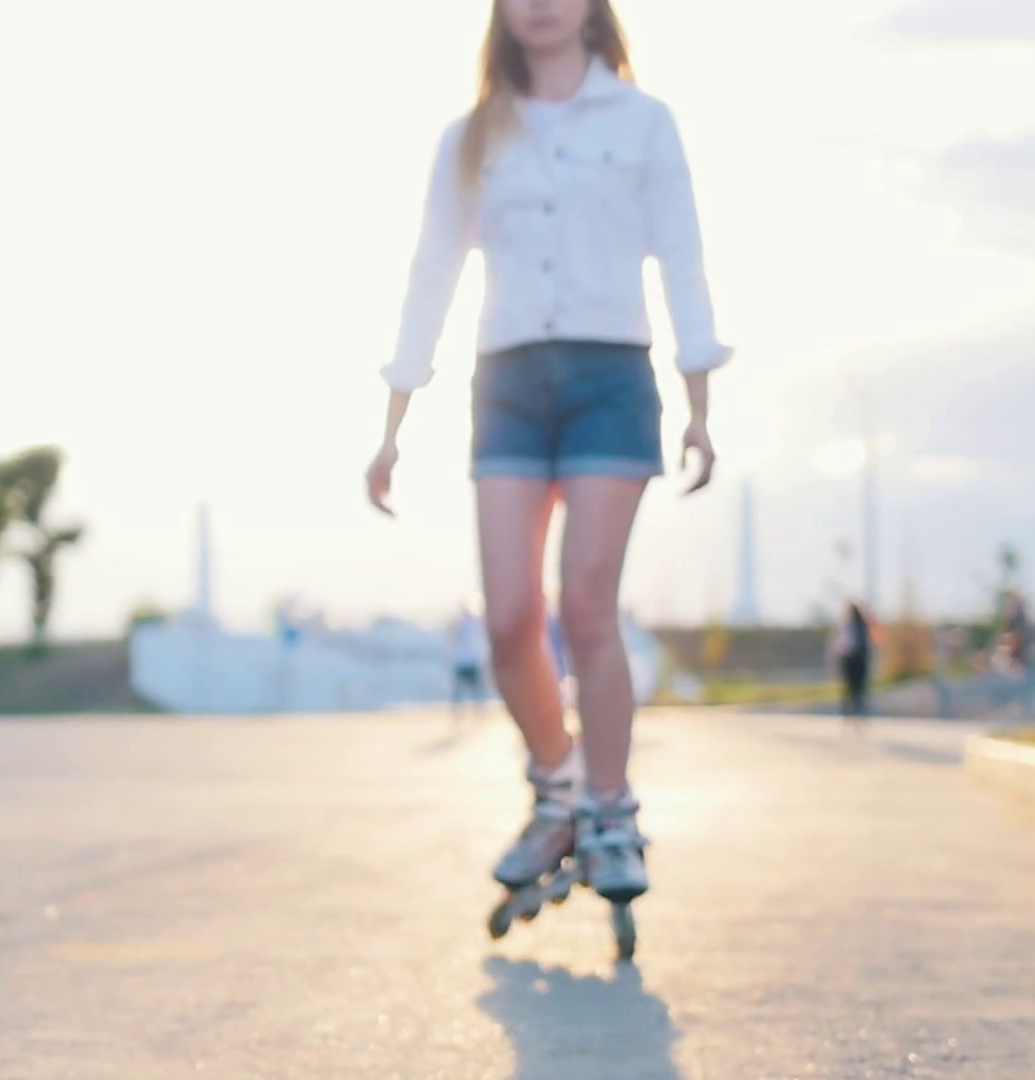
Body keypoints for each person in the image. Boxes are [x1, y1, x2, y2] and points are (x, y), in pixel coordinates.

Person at [364, 0, 730, 906]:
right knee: (510, 617)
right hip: (508, 388)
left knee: (590, 610)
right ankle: (555, 785)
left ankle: (609, 810)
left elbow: (682, 259)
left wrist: (699, 404)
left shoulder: (645, 124)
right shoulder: (471, 137)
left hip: (611, 380)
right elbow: (431, 273)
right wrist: (394, 425)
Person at [832, 602, 872, 729]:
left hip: (857, 662)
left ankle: (857, 714)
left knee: (857, 689)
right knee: (847, 688)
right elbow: (838, 644)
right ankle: (846, 714)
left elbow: (864, 645)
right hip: (848, 661)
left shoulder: (860, 626)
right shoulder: (845, 625)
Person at [450, 605, 488, 722]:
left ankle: (475, 713)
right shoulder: (470, 624)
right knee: (468, 692)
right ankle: (466, 715)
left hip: (467, 660)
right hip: (467, 660)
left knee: (470, 691)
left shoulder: (465, 624)